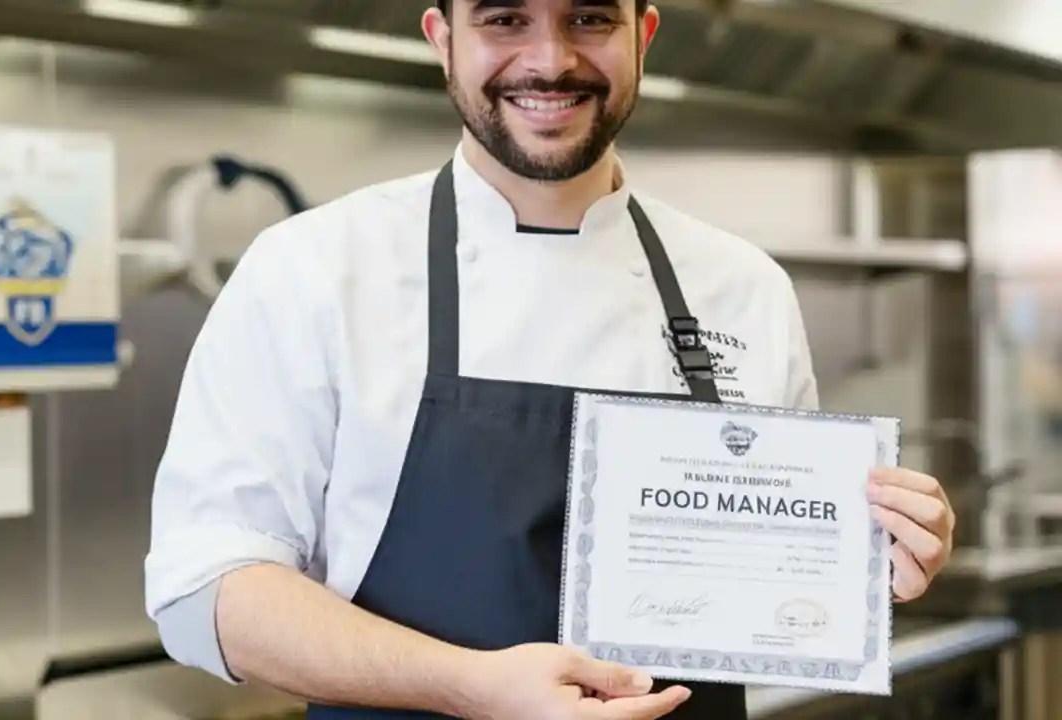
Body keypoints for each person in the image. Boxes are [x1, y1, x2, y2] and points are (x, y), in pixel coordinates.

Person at [144, 1, 957, 718]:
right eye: (504, 19)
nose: (549, 59)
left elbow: (782, 579)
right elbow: (207, 591)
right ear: (443, 40)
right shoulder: (313, 269)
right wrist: (469, 685)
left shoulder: (743, 286)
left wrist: (875, 560)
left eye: (590, 19)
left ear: (643, 36)